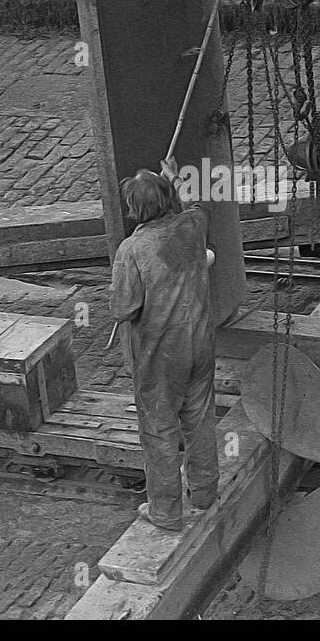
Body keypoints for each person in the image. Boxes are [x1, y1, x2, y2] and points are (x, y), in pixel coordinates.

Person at [109, 157, 219, 530]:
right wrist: (175, 178)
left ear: (134, 209)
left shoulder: (132, 250)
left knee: (159, 430)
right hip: (200, 342)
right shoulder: (193, 226)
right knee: (200, 417)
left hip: (161, 356)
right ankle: (204, 493)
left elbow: (124, 308)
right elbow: (196, 206)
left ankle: (167, 512)